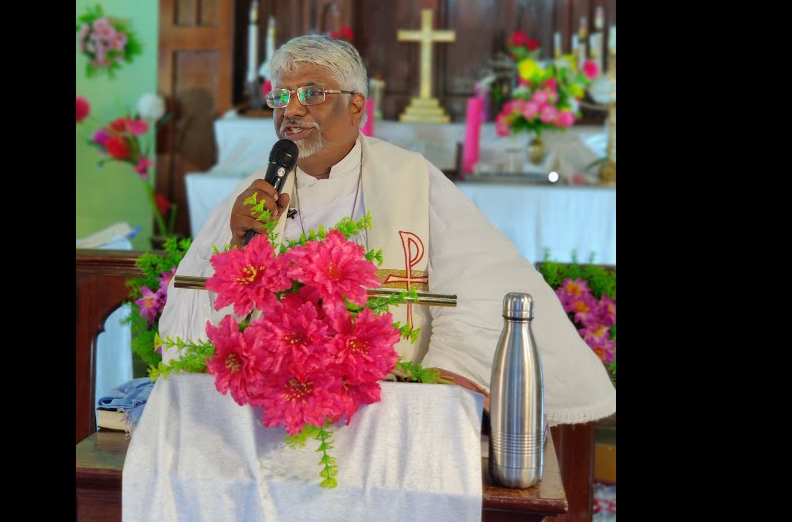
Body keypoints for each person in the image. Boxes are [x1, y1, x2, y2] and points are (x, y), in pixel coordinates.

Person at [158, 34, 615, 425]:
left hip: (396, 403)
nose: (291, 110)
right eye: (281, 96)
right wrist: (240, 243)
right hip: (275, 403)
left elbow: (484, 281)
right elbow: (194, 314)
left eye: (311, 93)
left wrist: (443, 379)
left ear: (356, 105)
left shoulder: (410, 179)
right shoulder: (253, 193)